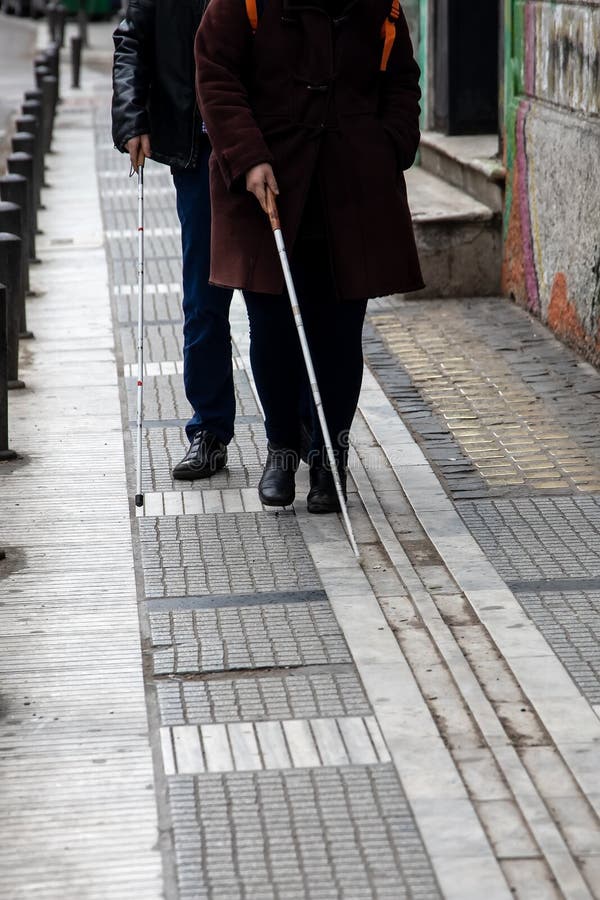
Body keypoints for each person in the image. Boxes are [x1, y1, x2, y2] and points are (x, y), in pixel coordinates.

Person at [195, 0, 424, 512]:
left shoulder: (381, 8)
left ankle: (330, 454)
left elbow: (401, 83)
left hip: (352, 193)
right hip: (268, 190)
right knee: (272, 329)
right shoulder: (242, 5)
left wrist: (390, 146)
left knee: (340, 333)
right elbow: (216, 77)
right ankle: (282, 448)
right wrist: (248, 157)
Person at [111, 0, 233, 480]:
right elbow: (132, 39)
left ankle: (294, 432)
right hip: (199, 150)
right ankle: (209, 430)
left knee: (277, 297)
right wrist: (132, 119)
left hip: (272, 145)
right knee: (203, 297)